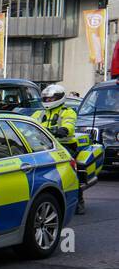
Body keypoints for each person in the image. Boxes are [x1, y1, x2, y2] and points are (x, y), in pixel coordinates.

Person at [36, 83, 87, 214]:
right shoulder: (39, 113)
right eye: (46, 99)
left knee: (70, 170)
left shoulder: (68, 112)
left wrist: (63, 130)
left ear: (59, 98)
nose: (48, 101)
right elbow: (28, 125)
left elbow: (69, 126)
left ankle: (79, 200)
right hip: (43, 146)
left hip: (65, 145)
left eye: (51, 99)